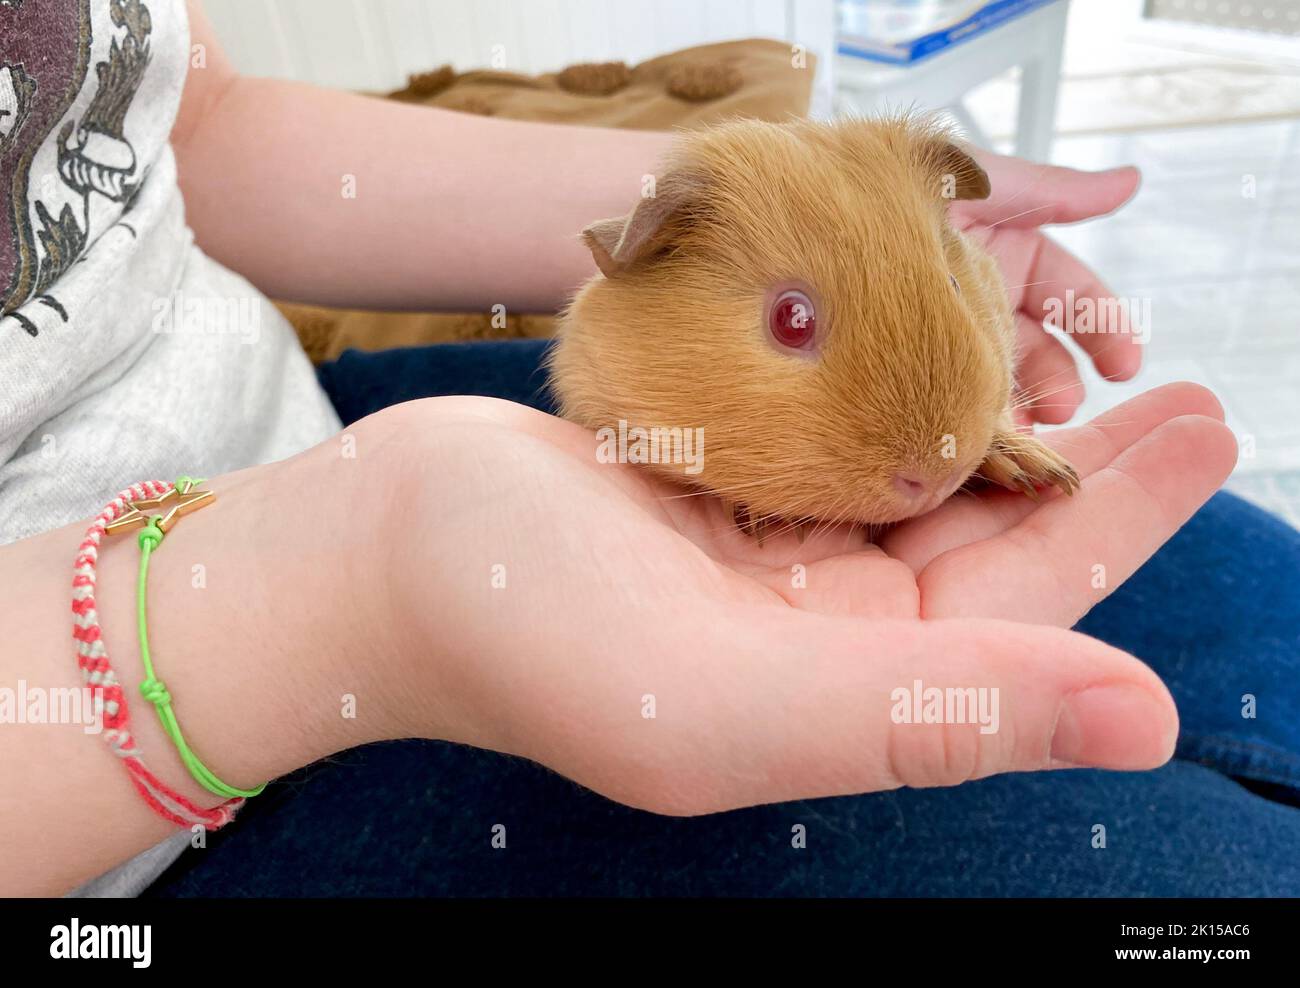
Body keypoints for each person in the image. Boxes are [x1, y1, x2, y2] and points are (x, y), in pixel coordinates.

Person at [1, 1, 1294, 898]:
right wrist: (350, 587)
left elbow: (190, 124)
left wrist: (802, 188)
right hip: (125, 823)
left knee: (1265, 620)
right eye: (793, 323)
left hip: (297, 423)